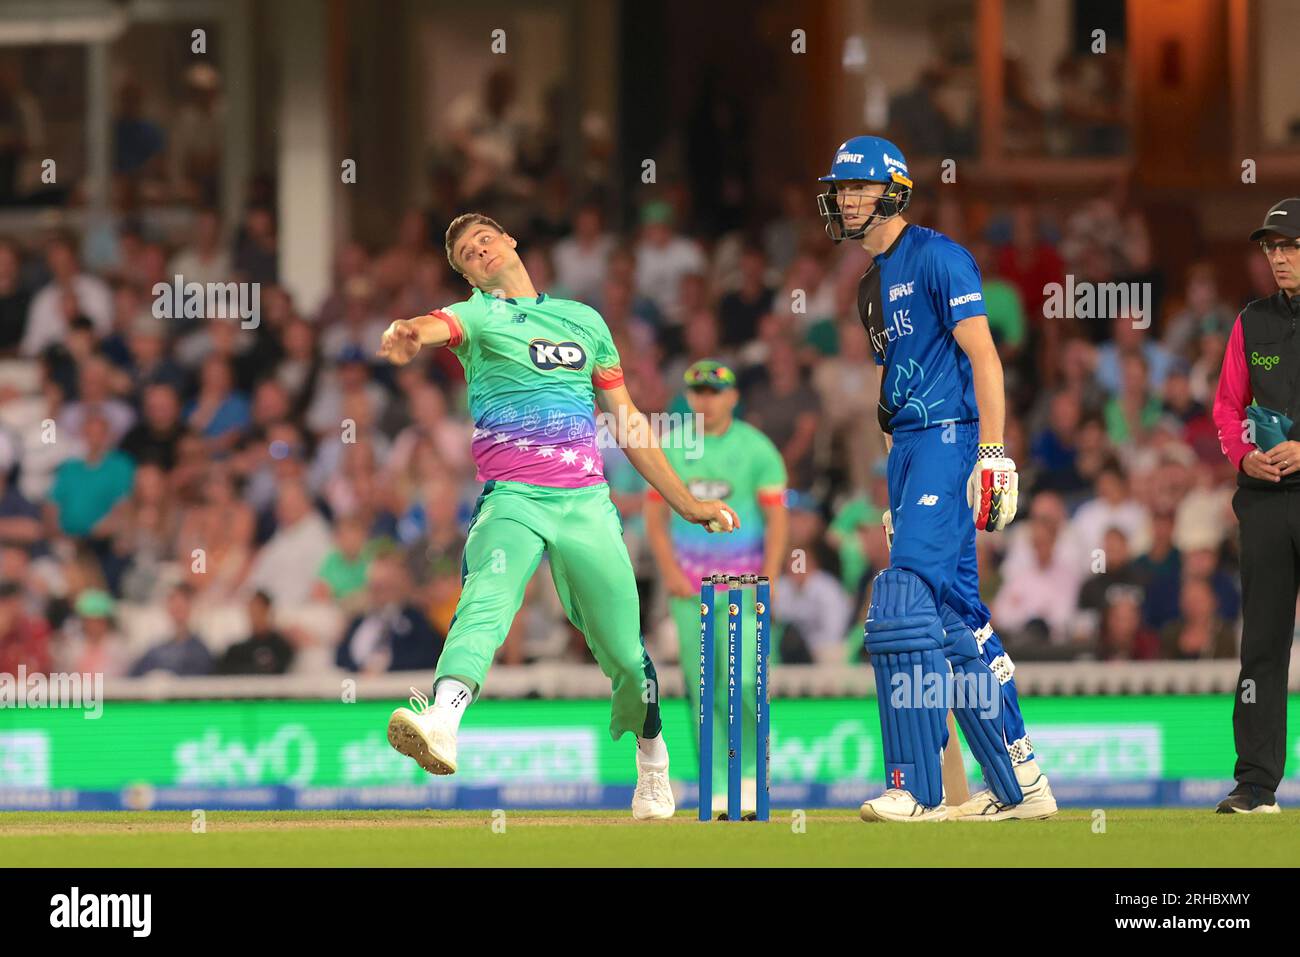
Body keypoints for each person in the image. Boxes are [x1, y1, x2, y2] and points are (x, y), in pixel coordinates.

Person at [377, 212, 739, 821]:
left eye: (485, 239)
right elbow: (432, 326)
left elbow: (626, 421)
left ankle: (653, 760)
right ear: (465, 274)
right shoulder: (479, 315)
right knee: (485, 602)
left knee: (624, 651)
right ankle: (442, 719)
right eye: (467, 253)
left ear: (510, 241)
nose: (480, 251)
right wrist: (408, 333)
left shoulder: (585, 321)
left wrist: (687, 502)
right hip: (513, 498)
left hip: (585, 502)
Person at [816, 135, 1056, 822]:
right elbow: (896, 390)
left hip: (952, 440)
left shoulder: (941, 257)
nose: (843, 200)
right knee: (954, 621)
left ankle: (916, 790)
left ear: (892, 191)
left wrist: (991, 450)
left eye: (855, 188)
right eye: (840, 189)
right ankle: (1021, 783)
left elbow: (985, 357)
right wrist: (895, 488)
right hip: (909, 454)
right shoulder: (868, 285)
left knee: (901, 604)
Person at [643, 359, 788, 814]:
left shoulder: (756, 447)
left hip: (744, 589)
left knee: (744, 680)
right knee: (702, 686)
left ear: (733, 396)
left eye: (714, 391)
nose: (705, 399)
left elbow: (777, 518)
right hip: (690, 590)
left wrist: (771, 575)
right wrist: (668, 570)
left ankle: (748, 772)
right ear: (688, 397)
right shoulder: (672, 446)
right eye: (697, 391)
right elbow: (654, 514)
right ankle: (718, 780)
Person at [1209, 196, 1300, 814]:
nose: (1280, 258)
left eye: (1291, 245)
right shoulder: (1251, 321)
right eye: (1273, 247)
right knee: (1261, 645)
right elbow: (1225, 408)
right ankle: (1256, 785)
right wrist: (1245, 458)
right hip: (1266, 501)